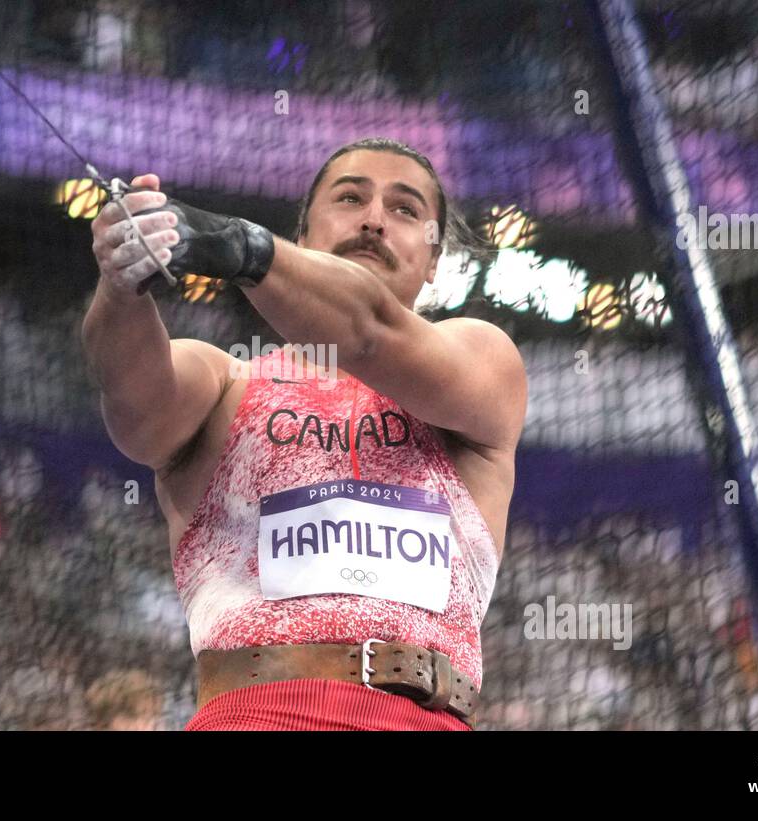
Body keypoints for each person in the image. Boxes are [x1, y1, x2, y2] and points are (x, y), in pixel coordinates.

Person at [82, 137, 527, 730]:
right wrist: (121, 285)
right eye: (350, 197)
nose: (373, 220)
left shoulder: (483, 360)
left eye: (405, 210)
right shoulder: (223, 383)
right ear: (306, 233)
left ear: (435, 258)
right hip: (254, 715)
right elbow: (134, 407)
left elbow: (369, 330)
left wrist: (242, 247)